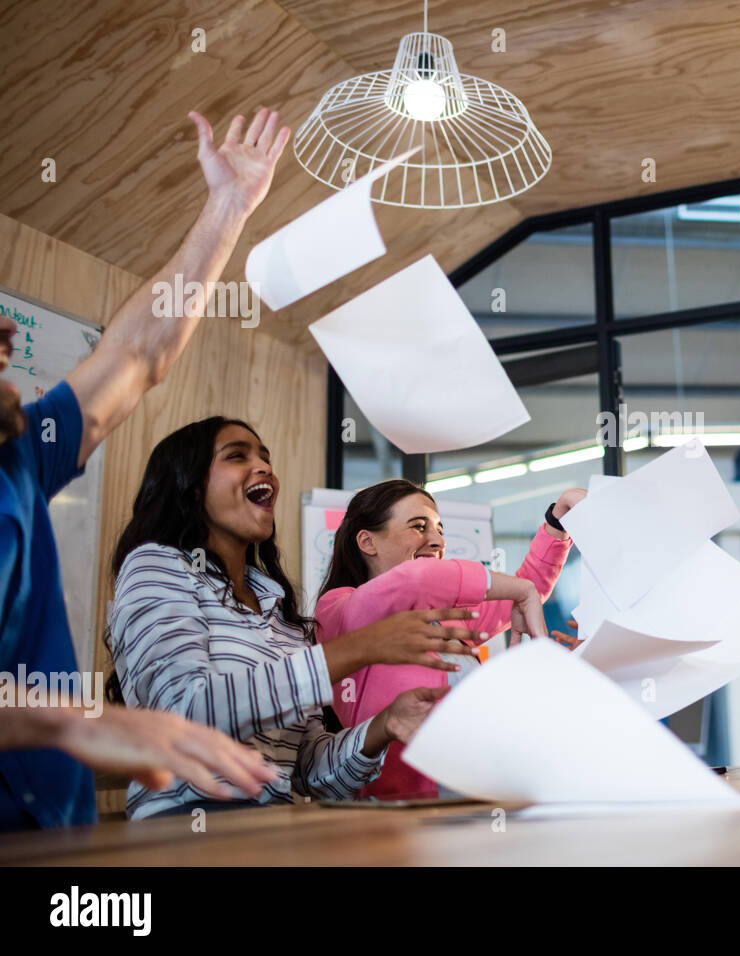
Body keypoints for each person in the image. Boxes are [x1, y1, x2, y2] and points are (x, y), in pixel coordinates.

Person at [0, 106, 298, 830]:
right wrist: (72, 722)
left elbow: (139, 355)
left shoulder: (19, 458)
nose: (7, 329)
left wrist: (228, 207)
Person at [106, 418, 493, 819]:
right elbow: (181, 712)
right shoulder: (156, 566)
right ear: (191, 485)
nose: (264, 469)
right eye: (237, 456)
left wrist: (385, 725)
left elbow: (308, 772)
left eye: (265, 458)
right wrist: (360, 647)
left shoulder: (280, 614)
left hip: (275, 829)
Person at [315, 479, 583, 798]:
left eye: (439, 530)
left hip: (471, 801)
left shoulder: (444, 614)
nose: (436, 541)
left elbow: (526, 591)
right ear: (367, 541)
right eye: (418, 527)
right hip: (394, 819)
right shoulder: (338, 607)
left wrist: (558, 518)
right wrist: (520, 590)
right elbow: (415, 580)